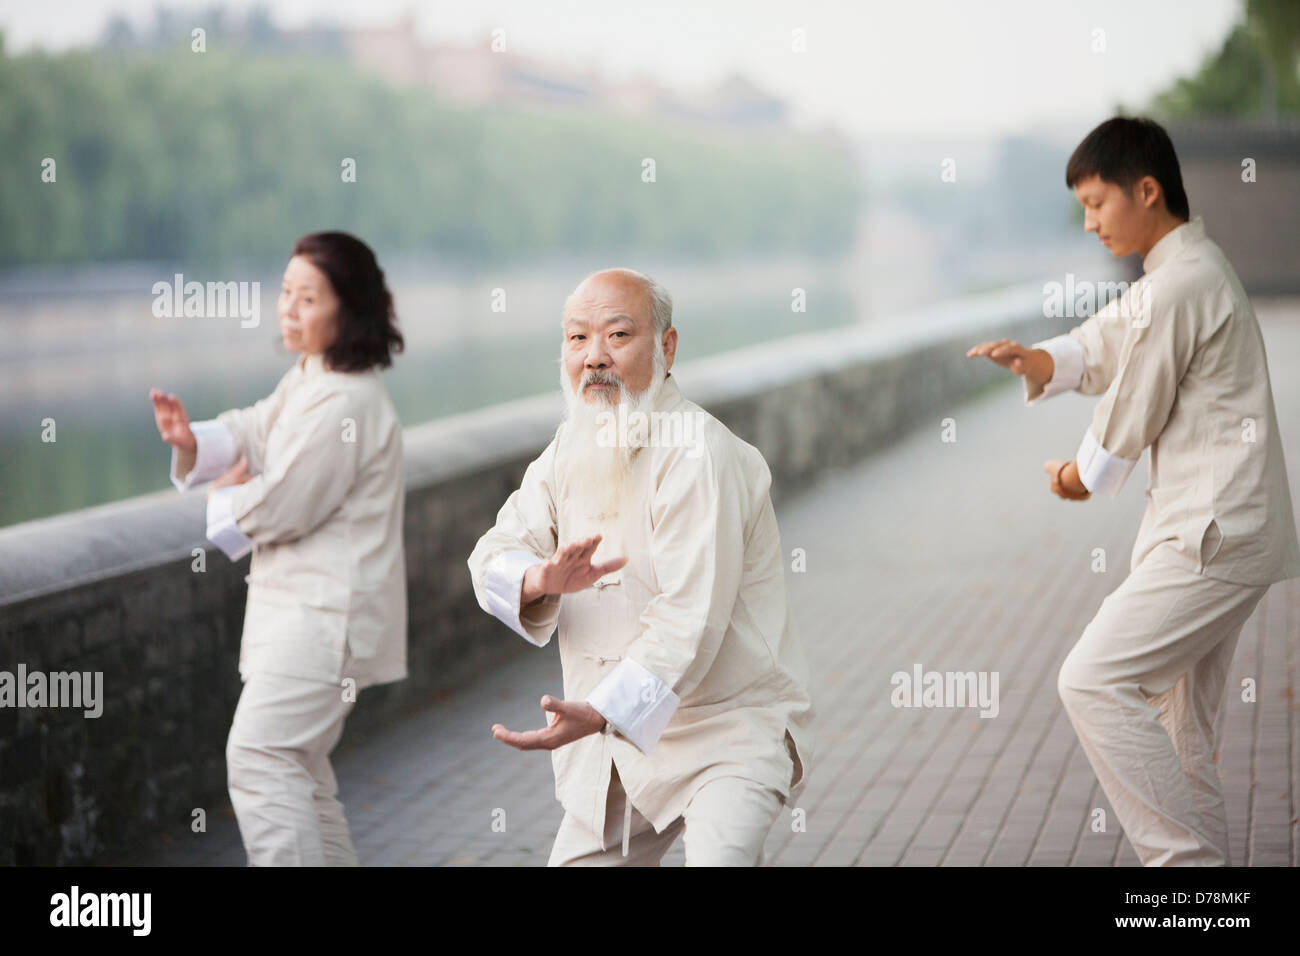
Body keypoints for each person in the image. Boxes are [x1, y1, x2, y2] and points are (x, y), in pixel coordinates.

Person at [967, 117, 1300, 865]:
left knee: (1091, 679)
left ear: (1147, 190)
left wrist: (1080, 476)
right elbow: (1116, 333)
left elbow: (1136, 397)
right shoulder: (1184, 274)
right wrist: (1043, 361)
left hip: (1213, 535)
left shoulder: (1183, 283)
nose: (1088, 223)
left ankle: (1183, 873)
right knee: (1184, 738)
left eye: (1096, 203)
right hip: (1224, 531)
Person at [467, 267, 814, 866]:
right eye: (578, 339)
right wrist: (539, 579)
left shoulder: (698, 451)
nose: (594, 358)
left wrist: (603, 708)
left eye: (618, 336)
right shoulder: (567, 448)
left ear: (667, 347)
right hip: (616, 744)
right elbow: (492, 552)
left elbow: (691, 617)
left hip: (724, 730)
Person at [149, 231, 408, 865]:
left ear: (348, 309)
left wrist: (223, 502)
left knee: (262, 759)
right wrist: (195, 440)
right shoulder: (317, 377)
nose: (289, 309)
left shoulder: (343, 400)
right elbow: (257, 428)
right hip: (309, 620)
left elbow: (284, 504)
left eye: (308, 297)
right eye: (286, 293)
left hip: (322, 620)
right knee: (299, 772)